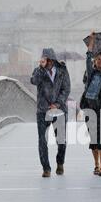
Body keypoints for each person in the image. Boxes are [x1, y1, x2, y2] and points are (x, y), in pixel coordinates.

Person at [31, 48, 71, 178]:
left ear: (51, 59)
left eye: (46, 59)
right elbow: (33, 81)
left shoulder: (62, 70)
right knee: (42, 140)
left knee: (61, 140)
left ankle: (60, 162)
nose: (45, 61)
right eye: (43, 59)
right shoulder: (39, 71)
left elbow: (66, 88)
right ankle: (46, 168)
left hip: (59, 110)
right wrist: (40, 68)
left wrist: (58, 103)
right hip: (43, 110)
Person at [80, 33, 101, 177]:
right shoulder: (91, 73)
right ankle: (96, 164)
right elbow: (88, 59)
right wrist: (91, 46)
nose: (99, 61)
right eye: (98, 59)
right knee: (94, 138)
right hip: (90, 108)